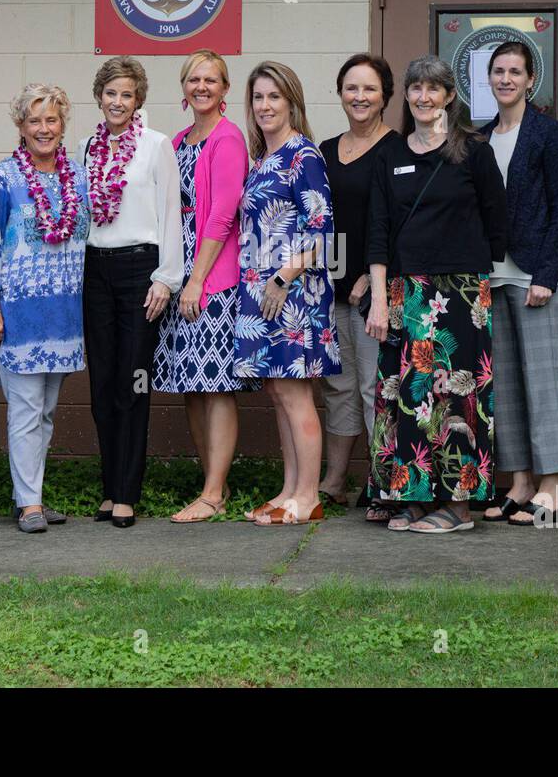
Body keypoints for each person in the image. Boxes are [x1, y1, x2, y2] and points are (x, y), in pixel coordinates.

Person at [364, 56, 508, 534]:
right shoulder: (390, 154)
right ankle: (414, 496)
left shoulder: (474, 151)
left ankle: (460, 507)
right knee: (407, 395)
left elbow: (496, 219)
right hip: (406, 290)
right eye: (415, 88)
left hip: (461, 295)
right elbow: (377, 229)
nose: (423, 97)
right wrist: (382, 298)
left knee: (456, 398)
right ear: (406, 96)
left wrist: (466, 266)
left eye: (434, 88)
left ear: (449, 95)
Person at [0, 83, 90, 534]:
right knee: (24, 410)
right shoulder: (3, 179)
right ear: (20, 127)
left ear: (63, 124)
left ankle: (34, 494)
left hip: (63, 312)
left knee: (44, 412)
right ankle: (27, 505)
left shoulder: (78, 176)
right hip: (17, 312)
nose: (43, 128)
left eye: (51, 119)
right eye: (34, 120)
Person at [476, 41, 558, 525]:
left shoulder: (547, 133)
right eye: (498, 71)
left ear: (530, 80)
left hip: (535, 275)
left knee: (543, 380)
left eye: (515, 71)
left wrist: (546, 274)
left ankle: (554, 484)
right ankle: (518, 481)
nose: (506, 79)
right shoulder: (480, 137)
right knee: (506, 386)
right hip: (492, 278)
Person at [235, 61, 341, 526]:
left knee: (297, 395)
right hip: (262, 293)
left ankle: (308, 496)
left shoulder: (304, 156)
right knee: (278, 392)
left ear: (292, 102)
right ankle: (289, 490)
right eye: (258, 97)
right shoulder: (264, 158)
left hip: (293, 292)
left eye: (274, 97)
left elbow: (322, 231)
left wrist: (281, 278)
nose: (265, 106)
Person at [80, 57, 183, 529]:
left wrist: (166, 277)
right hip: (95, 269)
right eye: (110, 92)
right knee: (102, 382)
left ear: (138, 99)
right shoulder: (86, 148)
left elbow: (170, 214)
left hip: (141, 268)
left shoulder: (156, 145)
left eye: (127, 94)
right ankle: (108, 488)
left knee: (132, 380)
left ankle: (128, 492)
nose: (117, 101)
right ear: (99, 96)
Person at [152, 50, 251, 523]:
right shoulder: (178, 140)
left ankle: (212, 493)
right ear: (184, 87)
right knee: (191, 385)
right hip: (180, 275)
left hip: (212, 277)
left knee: (216, 387)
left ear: (225, 89)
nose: (202, 87)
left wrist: (196, 281)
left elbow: (222, 214)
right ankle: (215, 484)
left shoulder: (228, 139)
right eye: (194, 79)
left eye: (211, 79)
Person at [317, 53, 400, 521]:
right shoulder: (326, 149)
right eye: (351, 88)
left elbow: (403, 223)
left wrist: (372, 275)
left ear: (385, 95)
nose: (360, 97)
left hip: (373, 292)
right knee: (339, 387)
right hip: (330, 287)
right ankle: (334, 480)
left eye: (369, 88)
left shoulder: (398, 149)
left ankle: (385, 482)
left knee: (375, 388)